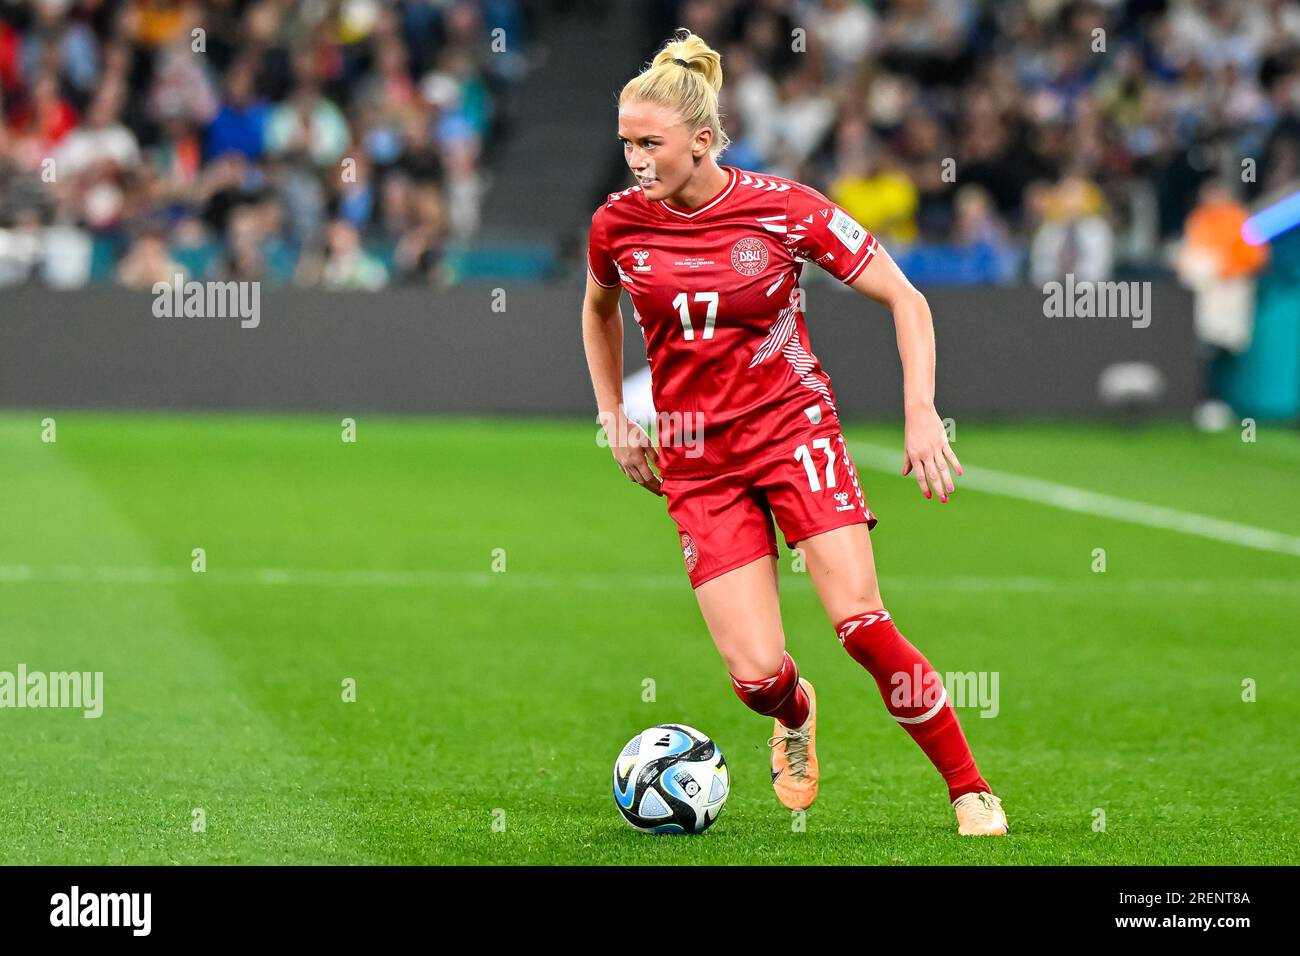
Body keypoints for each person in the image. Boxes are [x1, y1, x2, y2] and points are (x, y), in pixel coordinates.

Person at [581, 30, 1007, 835]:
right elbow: (597, 312)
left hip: (792, 431)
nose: (636, 160)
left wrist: (922, 413)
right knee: (756, 677)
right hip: (698, 462)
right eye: (627, 144)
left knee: (861, 621)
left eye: (651, 144)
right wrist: (614, 415)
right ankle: (795, 707)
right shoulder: (617, 227)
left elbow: (907, 300)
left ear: (702, 141)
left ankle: (968, 788)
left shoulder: (784, 209)